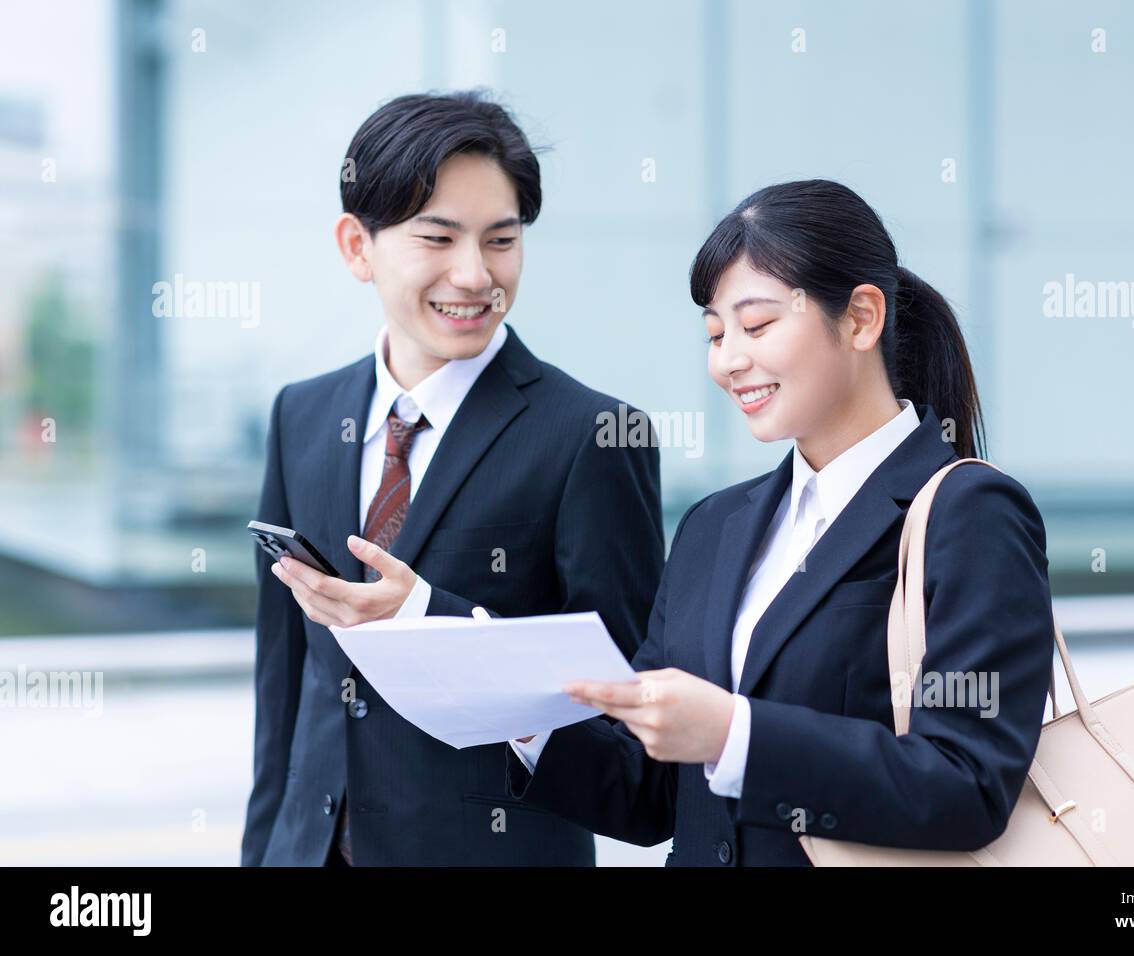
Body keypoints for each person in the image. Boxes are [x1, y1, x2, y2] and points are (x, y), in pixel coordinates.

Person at [504, 179, 1057, 866]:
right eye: (714, 332)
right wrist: (521, 717)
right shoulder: (713, 526)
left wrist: (737, 734)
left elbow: (968, 783)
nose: (728, 360)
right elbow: (651, 795)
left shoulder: (966, 514)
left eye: (757, 325)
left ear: (860, 318)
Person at [240, 91, 664, 867]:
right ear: (357, 246)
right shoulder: (301, 415)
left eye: (501, 241)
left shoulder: (593, 436)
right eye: (437, 238)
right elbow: (284, 683)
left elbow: (626, 718)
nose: (475, 276)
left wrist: (428, 616)